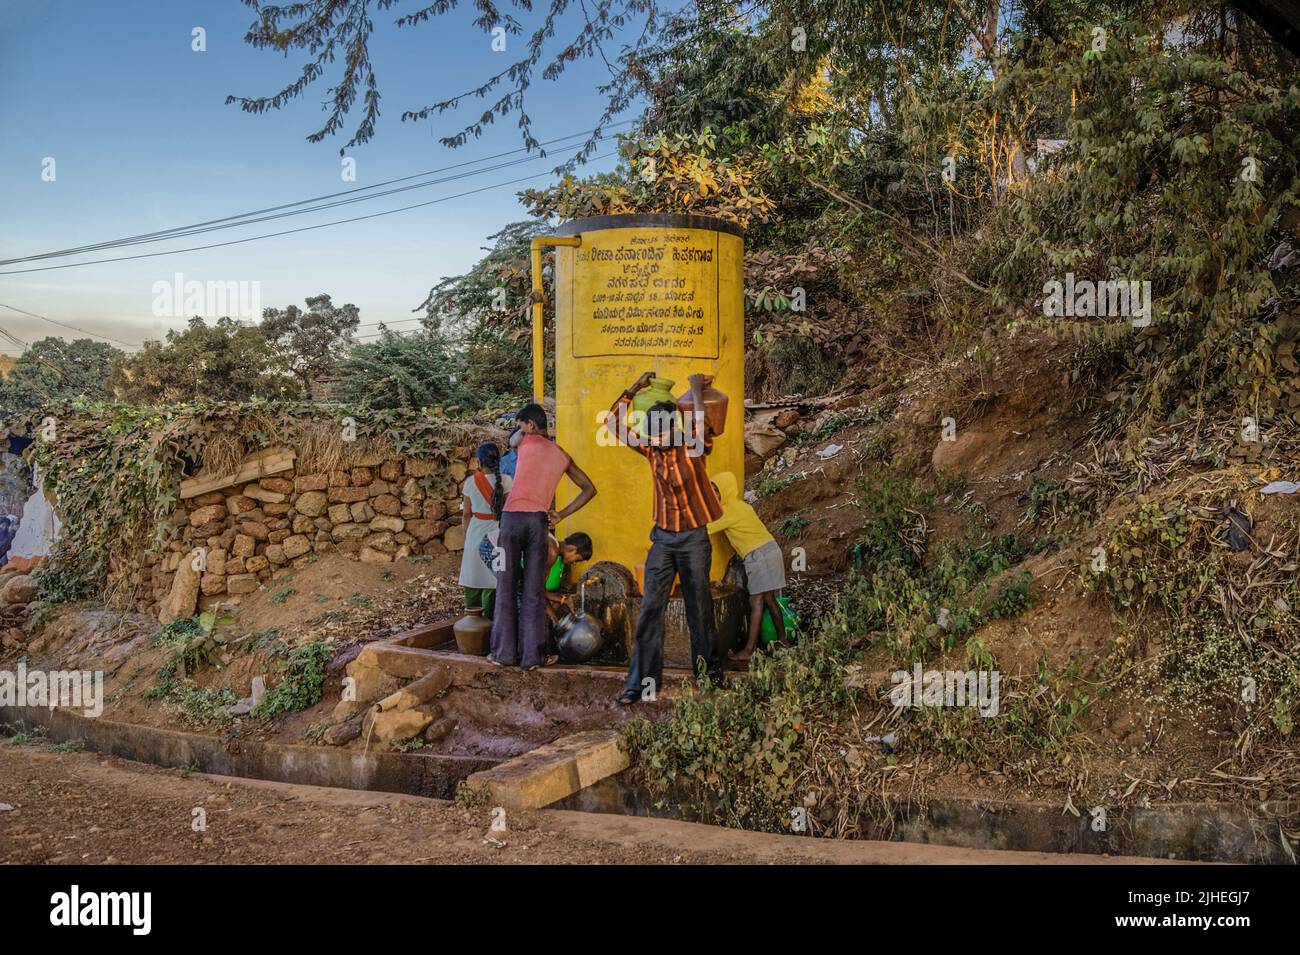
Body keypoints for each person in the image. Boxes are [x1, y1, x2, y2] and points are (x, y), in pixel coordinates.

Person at [606, 371, 724, 705]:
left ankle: (710, 677)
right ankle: (641, 684)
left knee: (699, 610)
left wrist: (695, 390)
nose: (657, 437)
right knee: (649, 610)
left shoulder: (694, 446)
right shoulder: (650, 449)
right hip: (663, 539)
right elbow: (613, 423)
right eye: (653, 432)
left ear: (675, 425)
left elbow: (701, 418)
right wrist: (633, 389)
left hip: (693, 539)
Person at [488, 403, 596, 670]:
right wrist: (561, 514)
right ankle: (532, 658)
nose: (518, 430)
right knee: (535, 591)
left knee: (506, 586)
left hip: (512, 520)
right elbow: (589, 489)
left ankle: (503, 654)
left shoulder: (525, 440)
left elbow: (513, 440)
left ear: (532, 426)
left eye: (521, 424)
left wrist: (521, 433)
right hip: (538, 523)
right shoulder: (562, 455)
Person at [707, 472, 787, 662]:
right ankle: (783, 640)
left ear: (725, 491)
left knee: (756, 601)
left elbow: (705, 529)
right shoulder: (742, 506)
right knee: (770, 599)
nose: (713, 496)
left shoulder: (727, 511)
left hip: (758, 555)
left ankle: (749, 650)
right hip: (771, 549)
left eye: (716, 491)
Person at [459, 442, 511, 619]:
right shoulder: (506, 481)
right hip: (497, 533)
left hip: (476, 530)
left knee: (473, 576)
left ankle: (472, 619)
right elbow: (507, 510)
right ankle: (490, 621)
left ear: (478, 462)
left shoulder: (470, 482)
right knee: (493, 579)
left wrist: (467, 535)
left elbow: (466, 514)